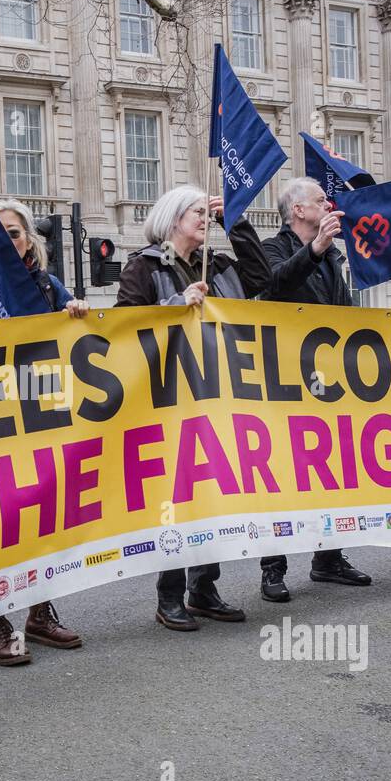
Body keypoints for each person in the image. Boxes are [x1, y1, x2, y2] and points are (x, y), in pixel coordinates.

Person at [115, 184, 271, 631]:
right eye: (198, 212)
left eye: (208, 212)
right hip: (169, 400)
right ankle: (170, 595)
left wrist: (235, 222)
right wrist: (173, 306)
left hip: (216, 393)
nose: (205, 218)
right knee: (177, 497)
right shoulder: (142, 267)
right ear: (173, 217)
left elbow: (262, 279)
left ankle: (204, 587)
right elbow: (126, 329)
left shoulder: (218, 264)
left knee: (212, 494)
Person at [0, 198, 90, 664]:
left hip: (43, 412)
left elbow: (82, 327)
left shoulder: (48, 286)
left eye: (15, 232)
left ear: (29, 240)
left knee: (43, 517)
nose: (9, 240)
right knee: (0, 523)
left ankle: (39, 614)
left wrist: (80, 313)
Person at [257, 178, 371, 601]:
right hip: (285, 381)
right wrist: (316, 249)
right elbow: (273, 286)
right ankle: (273, 567)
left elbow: (343, 314)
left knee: (333, 471)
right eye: (321, 200)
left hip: (329, 381)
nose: (329, 205)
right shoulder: (273, 247)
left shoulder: (333, 258)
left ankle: (328, 558)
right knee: (282, 475)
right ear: (298, 210)